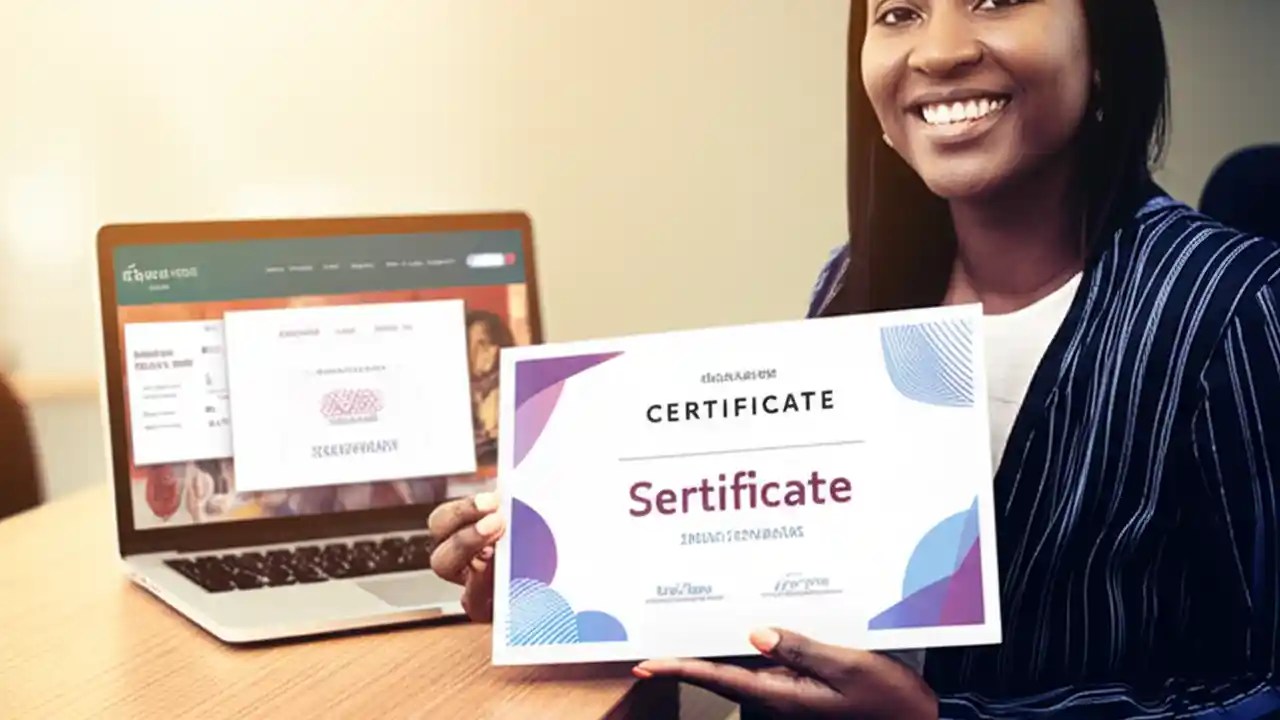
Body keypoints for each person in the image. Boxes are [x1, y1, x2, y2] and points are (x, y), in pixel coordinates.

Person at [428, 0, 1280, 716]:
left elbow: (1261, 689)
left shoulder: (1232, 306)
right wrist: (559, 584)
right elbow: (781, 591)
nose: (940, 50)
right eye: (899, 12)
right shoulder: (853, 285)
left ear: (1107, 45)